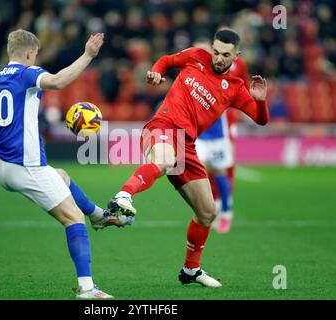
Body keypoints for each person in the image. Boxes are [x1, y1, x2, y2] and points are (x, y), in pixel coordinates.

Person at [108, 29, 269, 287]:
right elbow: (167, 61)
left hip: (188, 145)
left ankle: (190, 270)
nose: (218, 58)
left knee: (207, 211)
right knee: (164, 161)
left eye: (225, 55)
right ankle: (124, 195)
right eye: (216, 51)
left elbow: (261, 120)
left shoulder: (236, 89)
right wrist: (157, 71)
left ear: (236, 56)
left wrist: (260, 102)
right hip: (163, 125)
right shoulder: (196, 57)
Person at [0, 29, 126, 299]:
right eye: (36, 55)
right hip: (26, 167)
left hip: (3, 169)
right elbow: (57, 82)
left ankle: (98, 216)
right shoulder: (26, 74)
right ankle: (87, 288)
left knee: (62, 176)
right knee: (72, 218)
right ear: (30, 53)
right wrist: (88, 55)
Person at [193, 37, 250, 233]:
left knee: (219, 173)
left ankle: (226, 212)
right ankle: (207, 210)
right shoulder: (191, 73)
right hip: (199, 135)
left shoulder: (220, 73)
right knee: (197, 172)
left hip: (217, 133)